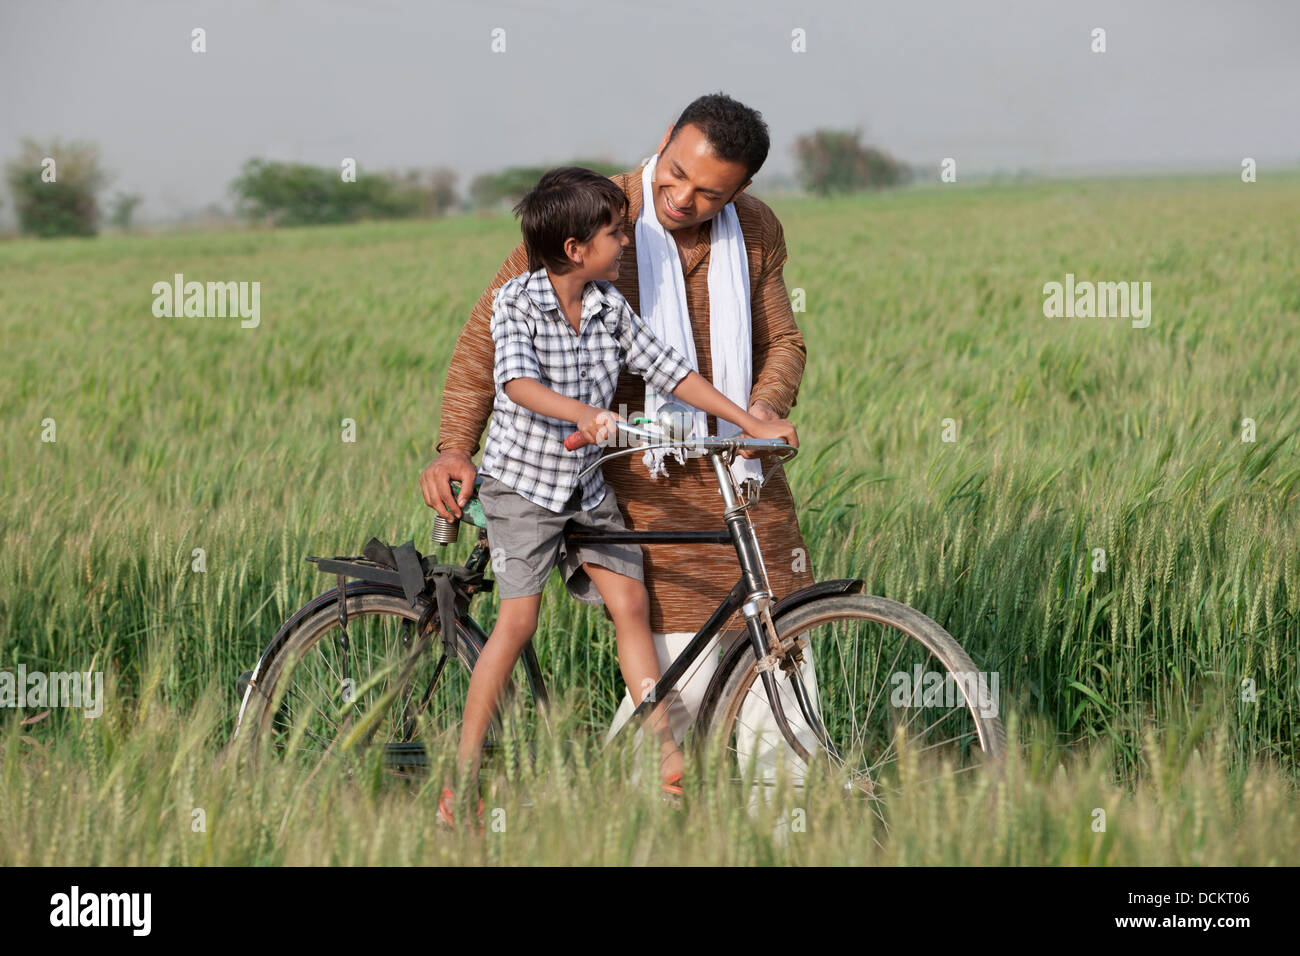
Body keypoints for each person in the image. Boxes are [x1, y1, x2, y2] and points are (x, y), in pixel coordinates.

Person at [422, 91, 815, 777]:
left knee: (785, 656)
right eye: (675, 174)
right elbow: (487, 344)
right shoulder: (593, 216)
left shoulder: (755, 230)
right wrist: (456, 446)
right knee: (676, 682)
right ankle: (627, 821)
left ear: (742, 190)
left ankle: (790, 834)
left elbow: (781, 338)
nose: (682, 198)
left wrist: (761, 412)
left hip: (738, 480)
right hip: (637, 486)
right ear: (664, 138)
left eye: (708, 193)